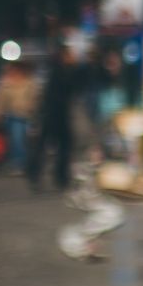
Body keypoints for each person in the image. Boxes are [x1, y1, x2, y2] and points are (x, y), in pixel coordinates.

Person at [36, 44, 81, 191]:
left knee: (51, 147)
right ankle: (57, 176)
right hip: (56, 115)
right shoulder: (60, 72)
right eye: (70, 55)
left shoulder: (58, 71)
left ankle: (54, 176)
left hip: (54, 115)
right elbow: (67, 91)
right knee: (61, 147)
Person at [0, 61, 41, 183]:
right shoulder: (6, 83)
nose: (12, 72)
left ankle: (22, 164)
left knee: (23, 140)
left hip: (26, 115)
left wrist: (33, 110)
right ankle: (19, 164)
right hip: (12, 116)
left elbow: (36, 98)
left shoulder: (30, 82)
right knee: (15, 140)